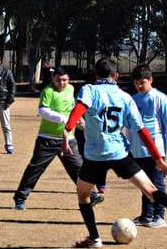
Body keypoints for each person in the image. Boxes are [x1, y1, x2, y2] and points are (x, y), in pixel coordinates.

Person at [62, 58, 167, 248]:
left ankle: (94, 238)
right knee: (151, 189)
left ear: (96, 75)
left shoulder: (90, 89)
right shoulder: (125, 97)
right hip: (120, 153)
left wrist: (68, 128)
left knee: (83, 194)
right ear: (116, 76)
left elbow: (79, 110)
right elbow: (142, 131)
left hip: (95, 155)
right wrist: (158, 158)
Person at [12, 67, 103, 210]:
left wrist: (78, 120)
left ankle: (91, 194)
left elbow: (73, 106)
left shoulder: (71, 89)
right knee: (35, 169)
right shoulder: (48, 91)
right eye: (58, 80)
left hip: (69, 138)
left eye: (65, 80)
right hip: (47, 139)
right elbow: (42, 110)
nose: (62, 83)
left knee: (78, 168)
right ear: (53, 78)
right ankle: (20, 198)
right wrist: (64, 119)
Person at [127, 65, 167, 229]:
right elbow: (128, 126)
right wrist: (127, 145)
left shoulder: (160, 98)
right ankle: (146, 215)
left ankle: (159, 216)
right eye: (136, 83)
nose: (139, 86)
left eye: (142, 82)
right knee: (144, 183)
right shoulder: (132, 99)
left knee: (157, 183)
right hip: (137, 148)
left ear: (150, 80)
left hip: (156, 148)